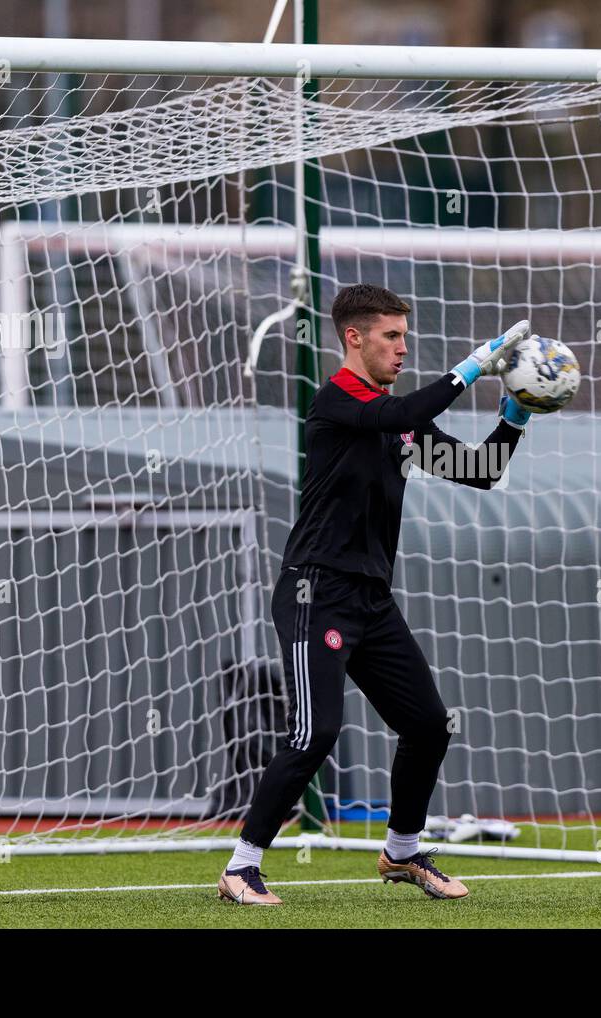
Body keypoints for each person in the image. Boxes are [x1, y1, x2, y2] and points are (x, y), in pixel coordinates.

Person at [218, 283, 535, 905]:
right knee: (315, 733)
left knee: (428, 726)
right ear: (354, 337)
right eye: (391, 336)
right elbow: (399, 415)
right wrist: (473, 363)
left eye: (405, 336)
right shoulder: (336, 403)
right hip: (316, 591)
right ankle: (241, 866)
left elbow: (482, 470)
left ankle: (403, 851)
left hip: (369, 599)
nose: (402, 348)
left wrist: (518, 410)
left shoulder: (400, 422)